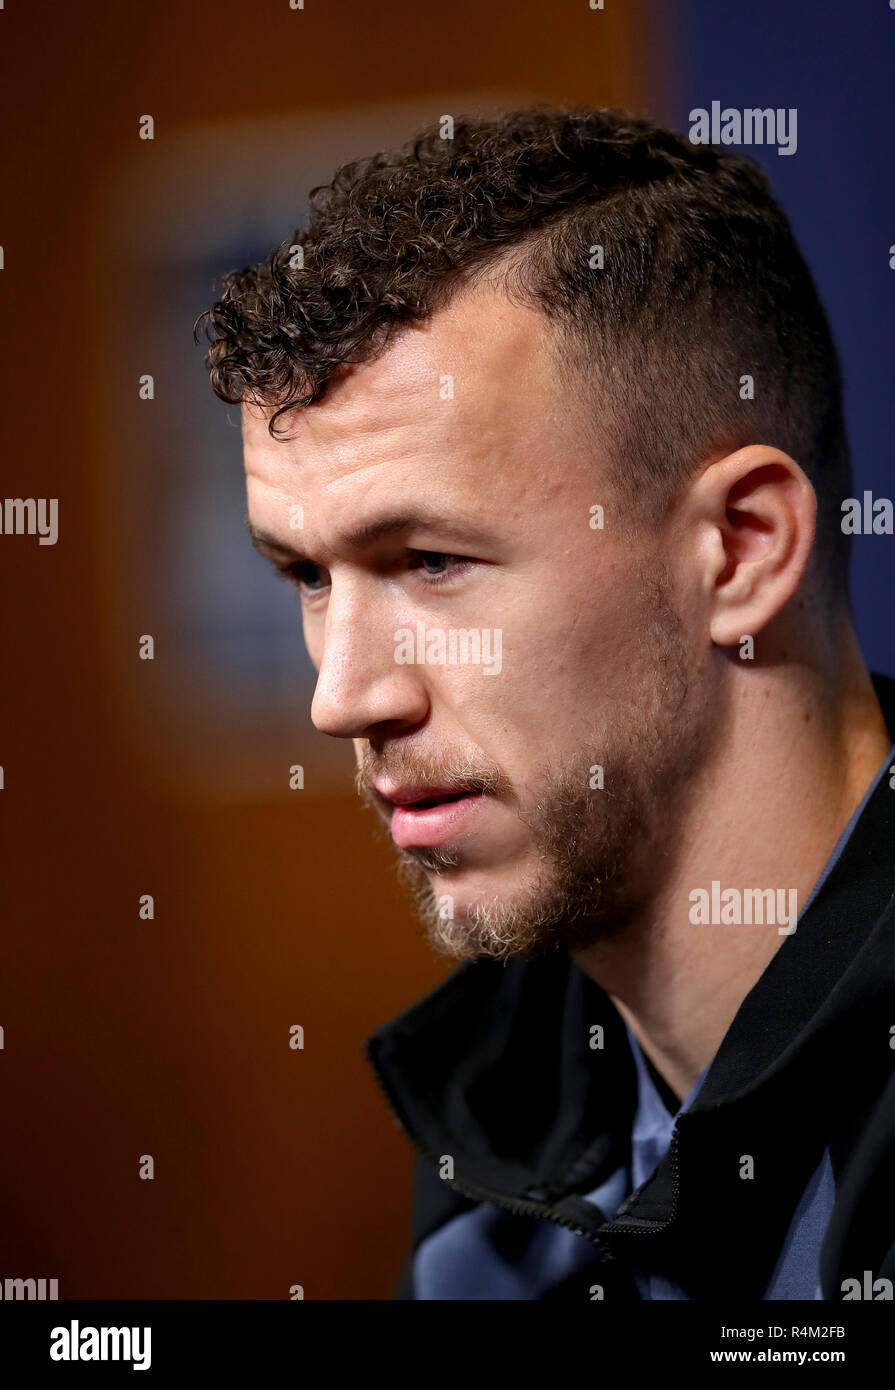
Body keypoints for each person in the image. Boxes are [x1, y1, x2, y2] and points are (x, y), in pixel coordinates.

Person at [196, 107, 895, 1301]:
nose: (341, 696)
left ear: (740, 549)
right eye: (307, 575)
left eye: (431, 560)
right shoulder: (495, 1138)